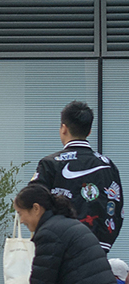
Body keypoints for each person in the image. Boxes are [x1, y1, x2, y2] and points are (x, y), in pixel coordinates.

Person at [34, 99, 123, 250]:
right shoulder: (108, 166)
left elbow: (34, 203)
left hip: (61, 248)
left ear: (63, 128)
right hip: (98, 250)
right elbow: (116, 208)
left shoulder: (50, 163)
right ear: (89, 131)